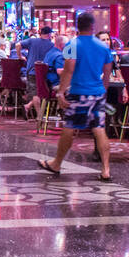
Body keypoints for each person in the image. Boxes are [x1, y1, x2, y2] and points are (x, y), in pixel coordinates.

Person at [39, 12, 114, 181]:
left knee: (69, 127)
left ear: (77, 26)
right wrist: (103, 91)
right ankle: (106, 169)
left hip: (79, 92)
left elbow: (69, 69)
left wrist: (61, 91)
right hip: (97, 93)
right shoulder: (104, 47)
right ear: (92, 26)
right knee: (99, 129)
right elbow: (107, 73)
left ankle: (57, 163)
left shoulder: (72, 44)